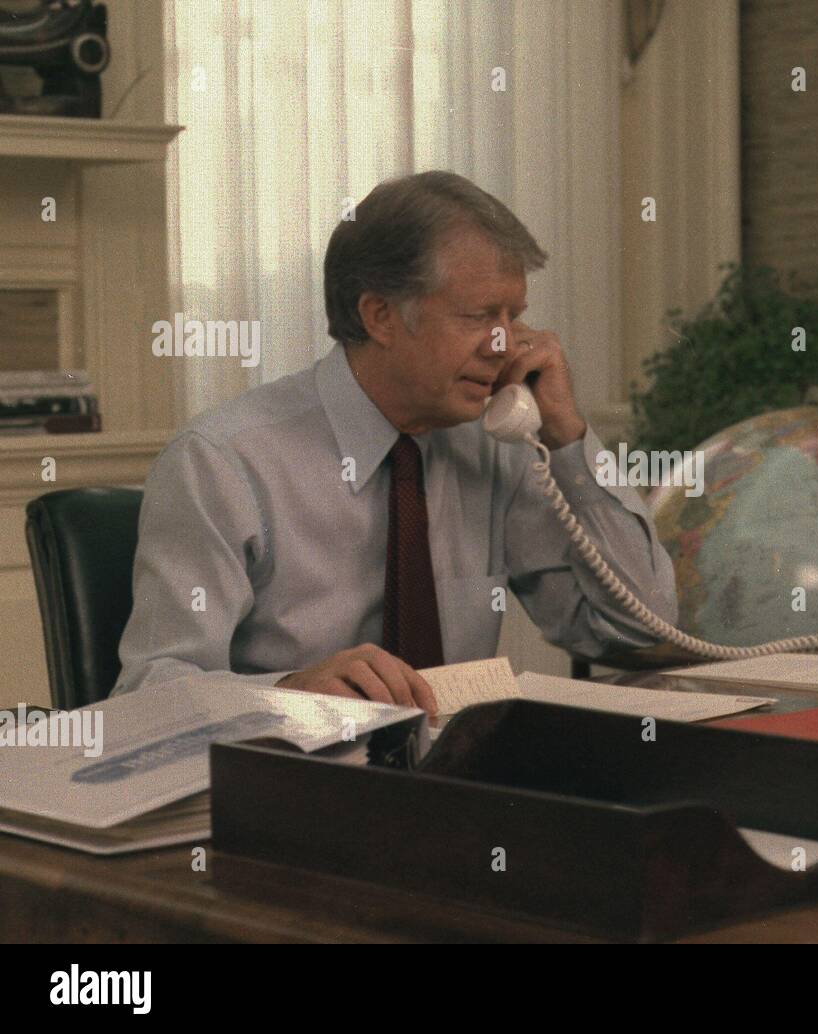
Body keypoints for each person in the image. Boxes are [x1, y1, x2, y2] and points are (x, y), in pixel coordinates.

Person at [113, 171, 679, 714]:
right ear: (380, 315)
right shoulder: (222, 462)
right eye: (480, 316)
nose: (506, 345)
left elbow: (637, 631)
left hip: (451, 787)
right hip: (293, 786)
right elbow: (149, 695)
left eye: (515, 317)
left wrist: (567, 441)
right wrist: (285, 692)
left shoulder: (499, 446)